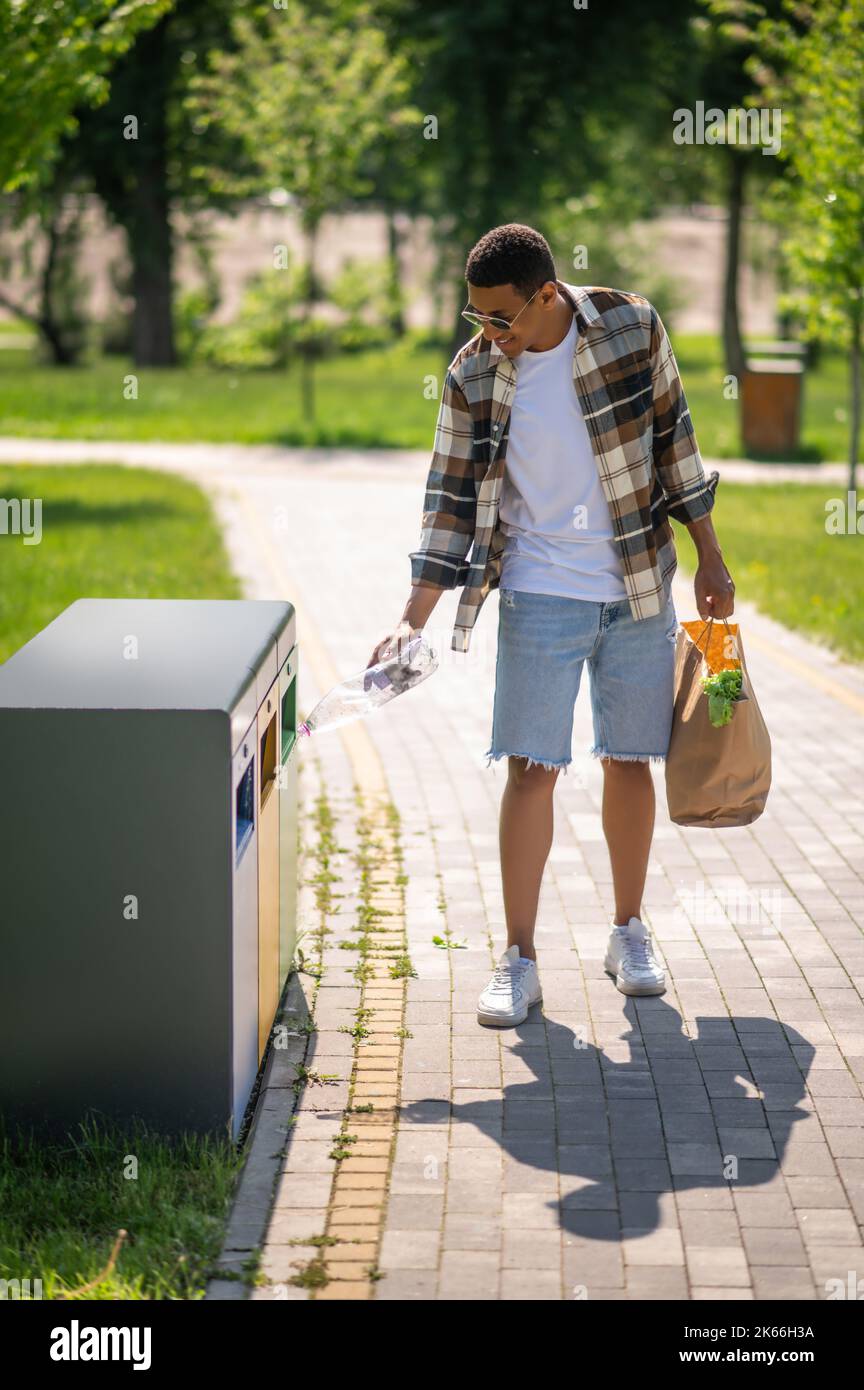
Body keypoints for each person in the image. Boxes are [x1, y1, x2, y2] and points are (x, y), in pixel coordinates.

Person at [367, 223, 735, 1026]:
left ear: (546, 295)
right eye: (475, 318)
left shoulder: (632, 327)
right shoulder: (474, 377)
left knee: (631, 760)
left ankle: (629, 931)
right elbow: (450, 504)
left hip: (637, 581)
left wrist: (710, 556)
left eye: (499, 318)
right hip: (538, 591)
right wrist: (410, 621)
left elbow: (676, 443)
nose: (487, 334)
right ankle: (520, 957)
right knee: (531, 767)